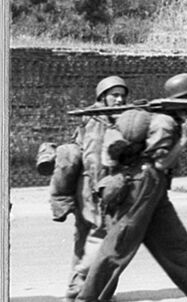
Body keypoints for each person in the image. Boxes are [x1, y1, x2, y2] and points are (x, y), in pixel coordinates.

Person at [74, 88, 187, 302]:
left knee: (172, 241)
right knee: (118, 245)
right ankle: (87, 298)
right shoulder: (165, 122)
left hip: (153, 187)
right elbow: (161, 162)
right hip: (143, 184)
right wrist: (183, 141)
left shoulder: (165, 119)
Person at [60, 75, 130, 301]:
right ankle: (84, 289)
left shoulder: (109, 118)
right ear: (103, 97)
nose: (119, 100)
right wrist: (101, 190)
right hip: (94, 188)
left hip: (94, 187)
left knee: (86, 240)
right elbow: (93, 159)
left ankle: (84, 289)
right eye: (114, 95)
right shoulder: (96, 120)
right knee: (102, 239)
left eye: (122, 96)